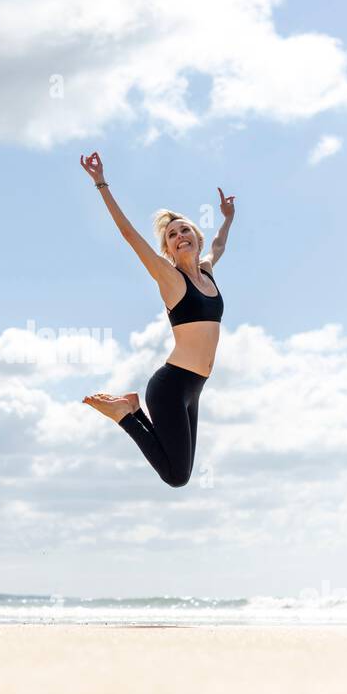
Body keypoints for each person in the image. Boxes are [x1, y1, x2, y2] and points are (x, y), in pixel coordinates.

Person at [79, 151, 235, 487]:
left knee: (183, 474)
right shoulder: (170, 279)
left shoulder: (207, 272)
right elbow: (129, 234)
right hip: (171, 386)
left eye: (184, 230)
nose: (180, 236)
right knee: (176, 476)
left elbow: (220, 246)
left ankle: (131, 409)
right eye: (172, 236)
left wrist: (227, 217)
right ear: (167, 250)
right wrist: (101, 183)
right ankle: (126, 414)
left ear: (196, 236)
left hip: (195, 388)